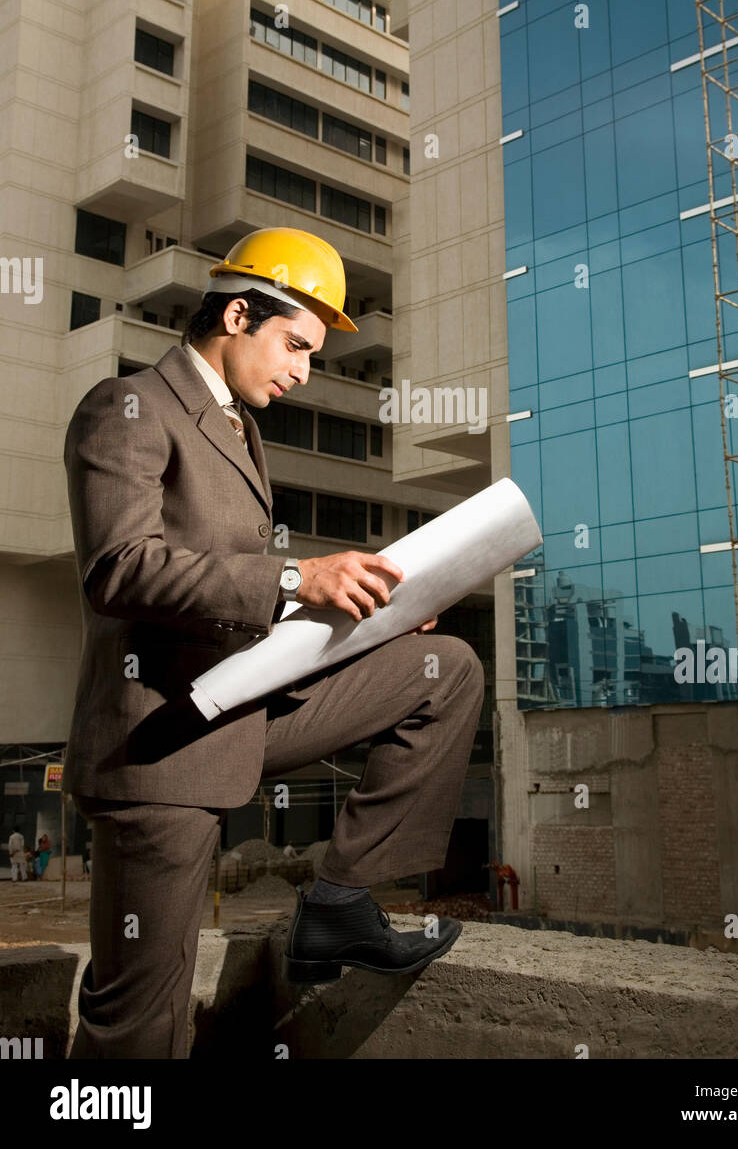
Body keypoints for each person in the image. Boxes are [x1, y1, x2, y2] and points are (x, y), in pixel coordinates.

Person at [63, 227, 485, 1058]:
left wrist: (373, 613)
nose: (301, 370)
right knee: (139, 1021)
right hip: (158, 747)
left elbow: (234, 603)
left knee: (444, 671)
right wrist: (298, 577)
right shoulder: (128, 407)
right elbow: (119, 568)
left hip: (240, 714)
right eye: (294, 346)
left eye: (312, 355)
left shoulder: (237, 427)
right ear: (235, 313)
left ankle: (337, 906)